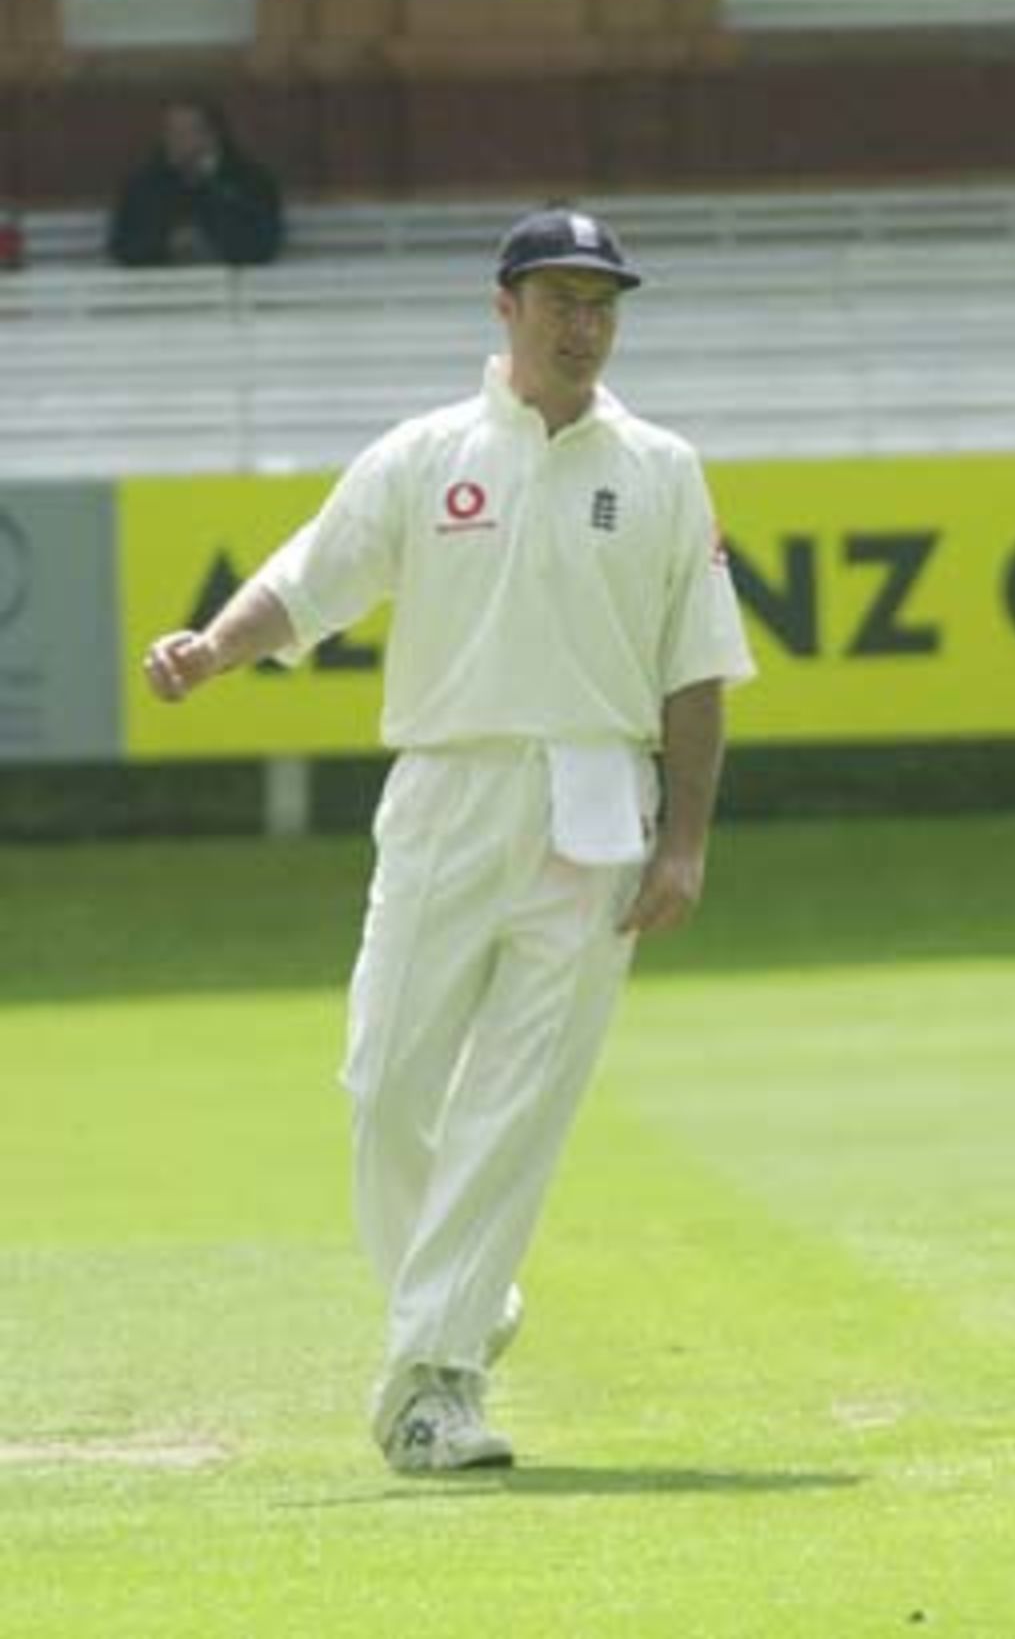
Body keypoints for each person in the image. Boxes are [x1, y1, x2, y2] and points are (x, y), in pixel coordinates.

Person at [141, 206, 755, 1473]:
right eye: (560, 302)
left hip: (596, 801)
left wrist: (686, 843)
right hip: (444, 791)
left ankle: (434, 1378)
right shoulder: (426, 455)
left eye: (602, 305)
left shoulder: (661, 467)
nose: (583, 327)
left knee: (518, 1103)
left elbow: (697, 668)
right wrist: (213, 648)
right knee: (383, 1085)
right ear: (505, 308)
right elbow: (311, 577)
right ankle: (467, 1293)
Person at [108, 97, 283, 267]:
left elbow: (264, 245)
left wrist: (209, 242)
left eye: (186, 132)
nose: (175, 140)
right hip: (160, 281)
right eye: (170, 131)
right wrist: (166, 244)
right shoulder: (143, 185)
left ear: (212, 136)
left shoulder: (250, 182)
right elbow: (122, 247)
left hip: (233, 280)